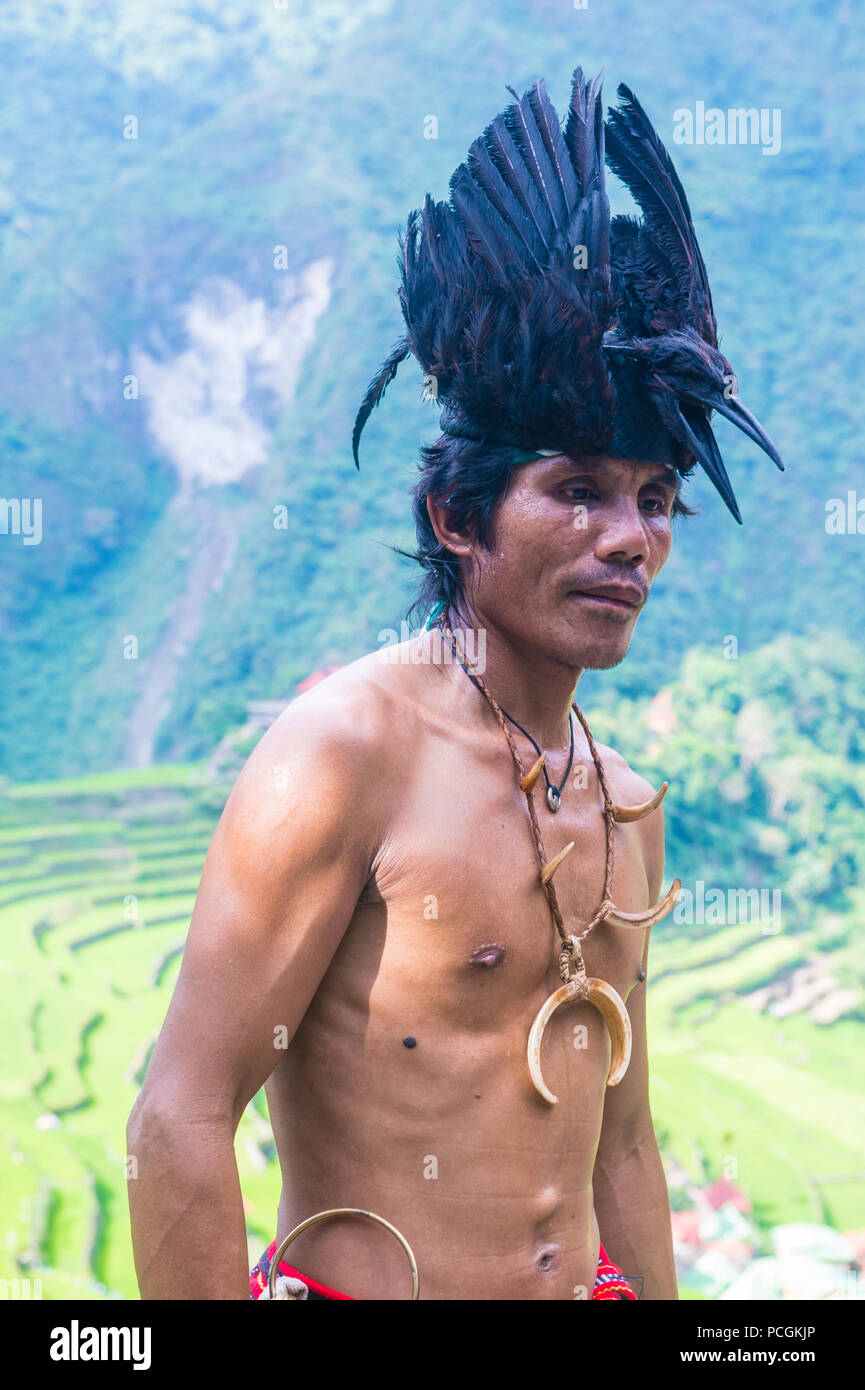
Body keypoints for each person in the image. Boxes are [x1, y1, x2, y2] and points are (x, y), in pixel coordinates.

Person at [127, 63, 782, 1301]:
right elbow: (183, 1113)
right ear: (457, 516)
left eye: (654, 499)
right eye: (577, 488)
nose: (628, 536)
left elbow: (623, 1150)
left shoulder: (625, 806)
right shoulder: (344, 756)